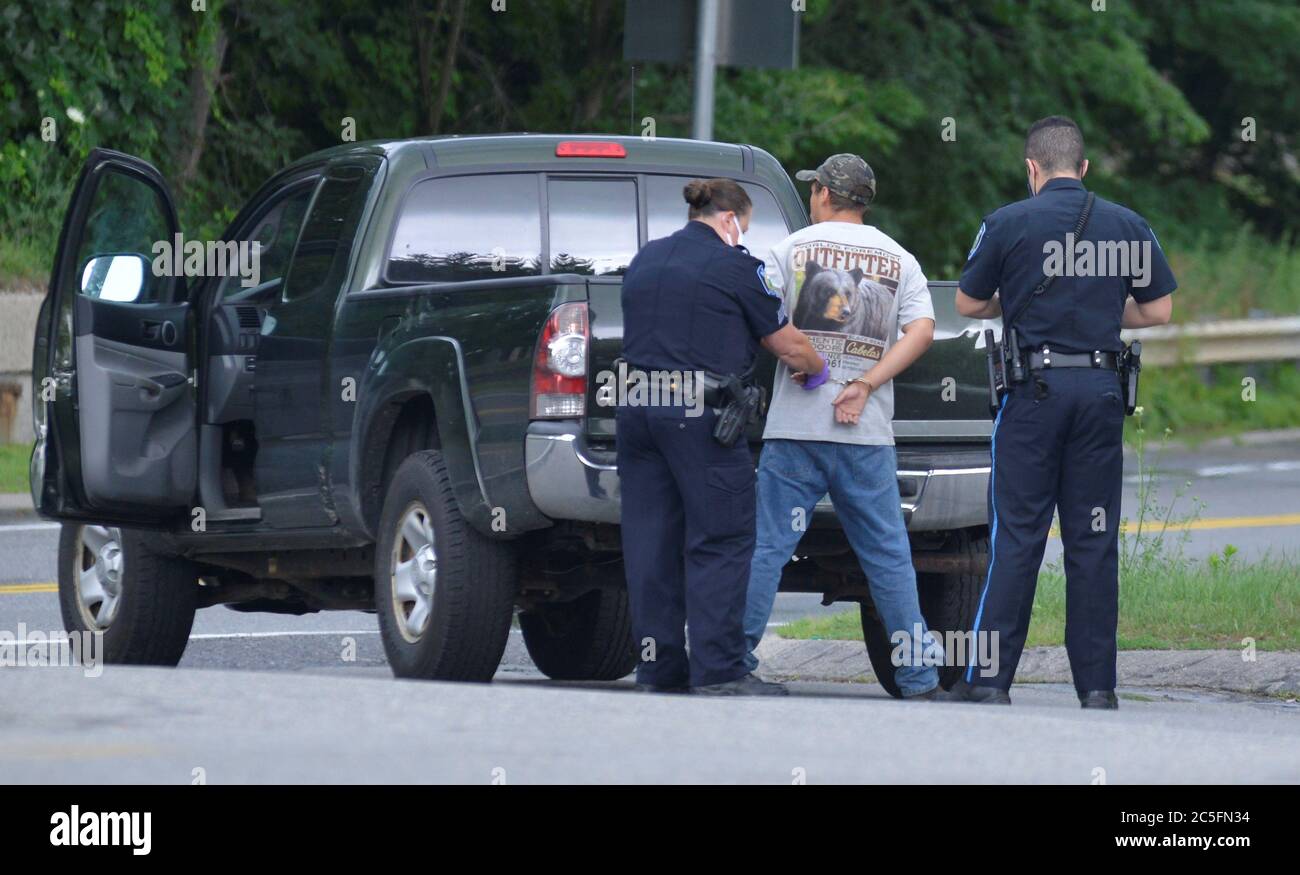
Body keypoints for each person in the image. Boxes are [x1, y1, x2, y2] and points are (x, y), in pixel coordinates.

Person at [947, 116, 1176, 707]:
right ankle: (1097, 688)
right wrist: (1099, 312)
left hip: (1033, 397)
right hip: (1101, 393)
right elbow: (1158, 313)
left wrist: (1017, 299)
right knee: (1093, 543)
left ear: (1032, 169)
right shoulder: (1128, 224)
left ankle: (989, 683)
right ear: (1084, 168)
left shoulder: (1007, 222)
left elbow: (969, 302)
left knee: (1017, 537)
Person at [743, 154, 945, 700]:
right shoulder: (899, 257)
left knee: (768, 547)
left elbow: (763, 320)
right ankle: (919, 677)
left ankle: (734, 660)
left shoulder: (788, 251)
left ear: (826, 196)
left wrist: (809, 368)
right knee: (888, 555)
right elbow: (923, 330)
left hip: (796, 429)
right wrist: (867, 383)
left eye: (814, 191)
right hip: (865, 434)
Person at [618, 178, 825, 696]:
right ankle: (720, 671)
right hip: (700, 418)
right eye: (745, 227)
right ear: (730, 219)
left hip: (637, 412)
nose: (744, 236)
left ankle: (659, 670)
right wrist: (818, 370)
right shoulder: (738, 267)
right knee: (723, 538)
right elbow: (788, 345)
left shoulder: (646, 258)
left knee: (651, 542)